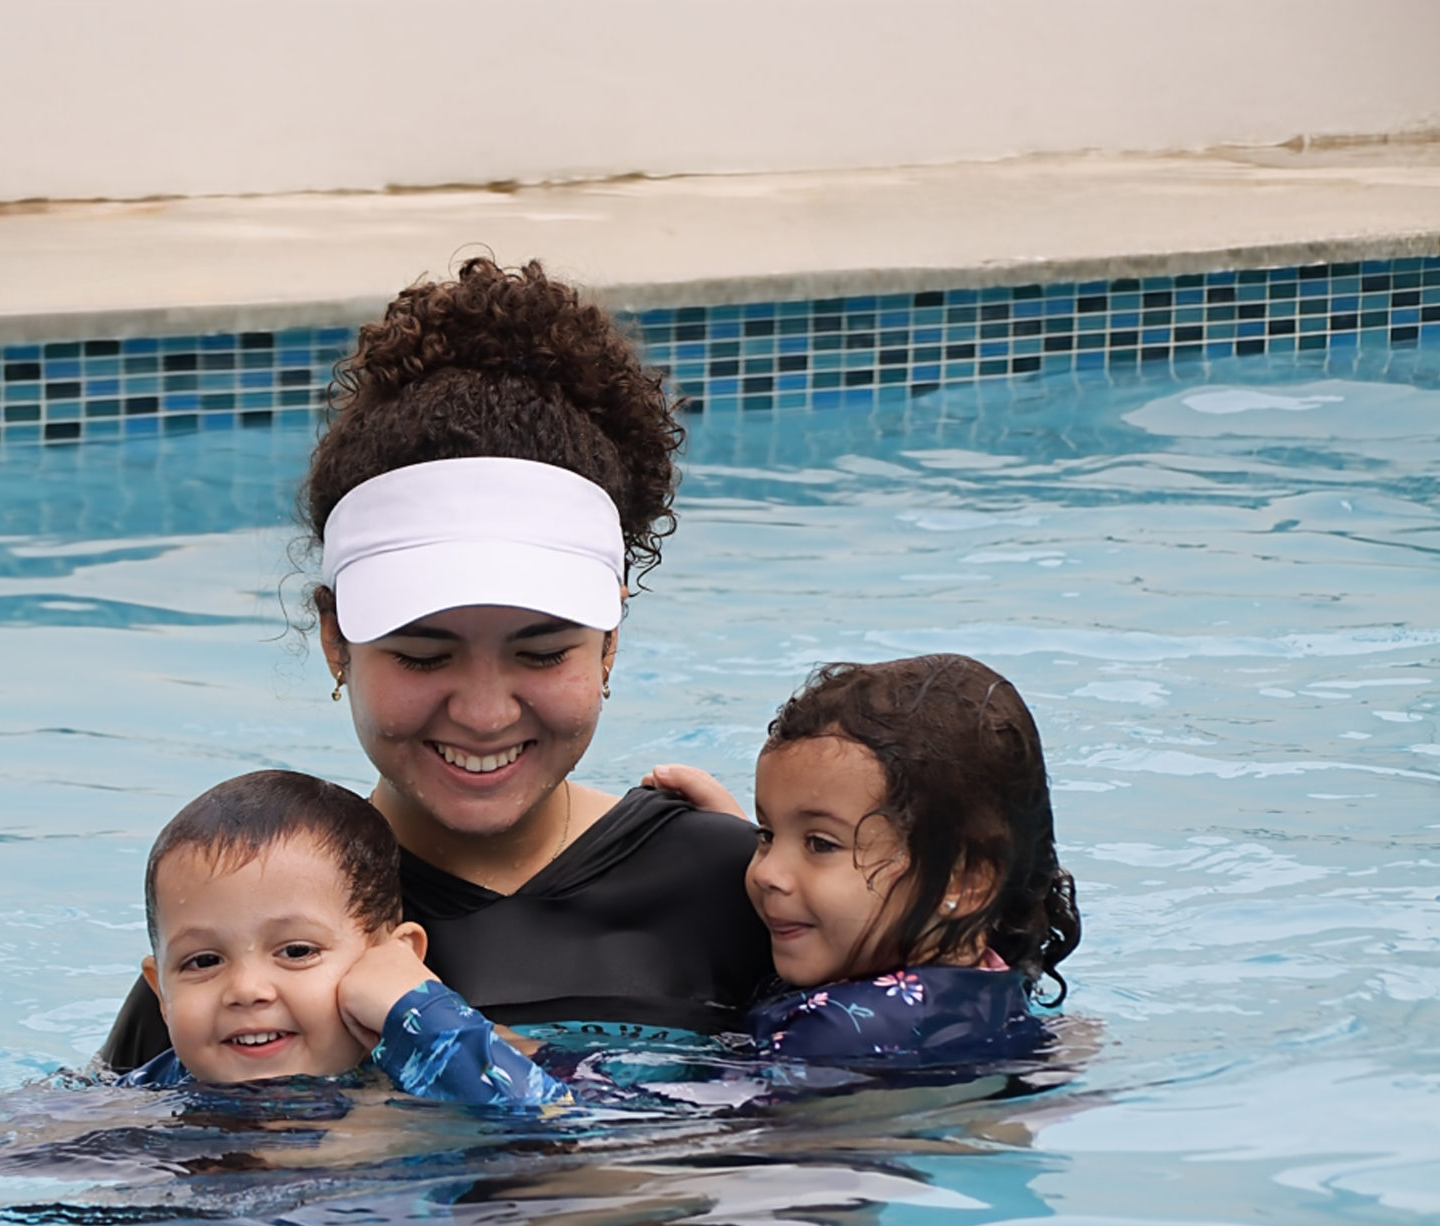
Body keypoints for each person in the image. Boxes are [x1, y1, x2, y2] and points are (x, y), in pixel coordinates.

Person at [99, 258, 773, 1072]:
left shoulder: (731, 890)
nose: (485, 713)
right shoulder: (248, 933)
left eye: (543, 650)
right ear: (335, 639)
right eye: (423, 654)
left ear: (611, 640)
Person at [0, 771, 563, 1152]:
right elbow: (33, 1136)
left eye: (296, 951)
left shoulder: (430, 1074)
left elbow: (560, 1123)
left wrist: (420, 1007)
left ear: (391, 956)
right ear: (158, 991)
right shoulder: (160, 1092)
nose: (246, 988)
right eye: (202, 962)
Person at [711, 655, 1081, 1065]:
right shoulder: (993, 987)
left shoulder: (830, 1035)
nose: (766, 873)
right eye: (767, 834)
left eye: (820, 844)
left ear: (964, 882)